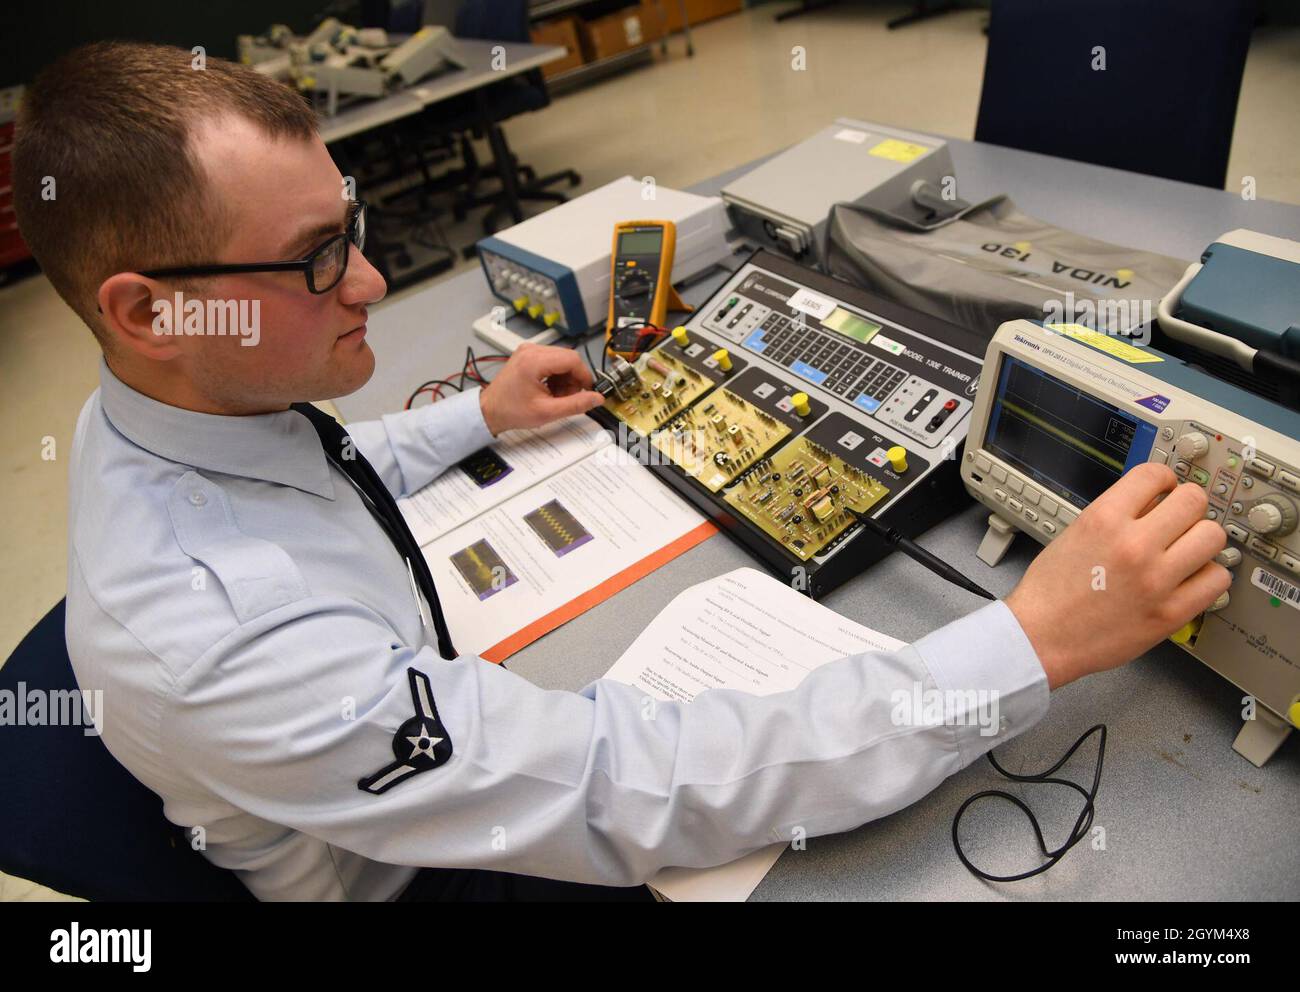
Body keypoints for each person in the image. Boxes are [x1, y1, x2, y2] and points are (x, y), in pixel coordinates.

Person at [11, 42, 1231, 901]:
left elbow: (313, 474)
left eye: (355, 226)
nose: (376, 285)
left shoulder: (173, 406)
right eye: (318, 257)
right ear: (152, 310)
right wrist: (1030, 645)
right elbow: (629, 783)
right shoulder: (231, 646)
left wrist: (469, 415)